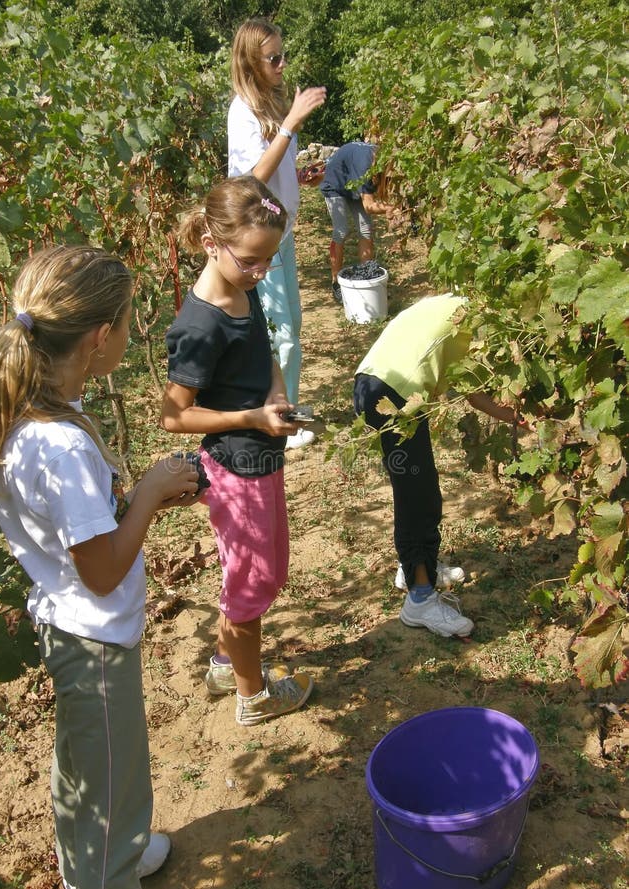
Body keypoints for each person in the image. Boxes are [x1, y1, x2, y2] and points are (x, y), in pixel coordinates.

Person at [0, 245, 203, 889]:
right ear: (102, 338)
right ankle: (106, 873)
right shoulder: (65, 445)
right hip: (95, 642)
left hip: (69, 628)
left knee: (83, 768)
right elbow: (101, 570)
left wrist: (133, 504)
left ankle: (96, 861)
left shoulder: (31, 418)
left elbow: (80, 537)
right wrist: (153, 493)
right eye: (128, 325)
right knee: (112, 784)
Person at [160, 175, 315, 726]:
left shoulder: (242, 288)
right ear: (211, 243)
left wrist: (276, 392)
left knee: (263, 574)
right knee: (252, 585)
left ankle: (227, 661)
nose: (261, 272)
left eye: (270, 259)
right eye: (252, 260)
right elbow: (174, 414)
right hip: (237, 467)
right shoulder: (200, 325)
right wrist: (252, 417)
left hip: (260, 458)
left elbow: (265, 347)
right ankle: (254, 698)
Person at [354, 293, 530, 638]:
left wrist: (514, 418)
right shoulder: (480, 327)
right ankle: (419, 599)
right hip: (391, 397)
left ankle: (417, 570)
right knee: (417, 499)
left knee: (420, 491)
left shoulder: (452, 304)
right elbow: (474, 394)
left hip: (372, 384)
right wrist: (520, 417)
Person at [228, 17, 326, 449]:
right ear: (252, 62)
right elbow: (252, 178)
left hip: (280, 233)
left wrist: (296, 176)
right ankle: (280, 420)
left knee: (292, 325)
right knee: (280, 329)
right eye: (274, 58)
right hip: (259, 238)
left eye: (283, 56)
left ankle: (285, 407)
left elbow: (275, 168)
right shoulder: (242, 111)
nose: (283, 65)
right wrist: (290, 126)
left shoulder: (266, 104)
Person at [319, 140, 397, 303]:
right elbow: (369, 206)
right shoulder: (365, 167)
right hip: (335, 184)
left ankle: (367, 277)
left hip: (352, 183)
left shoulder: (381, 158)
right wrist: (391, 208)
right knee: (341, 230)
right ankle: (336, 283)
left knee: (366, 229)